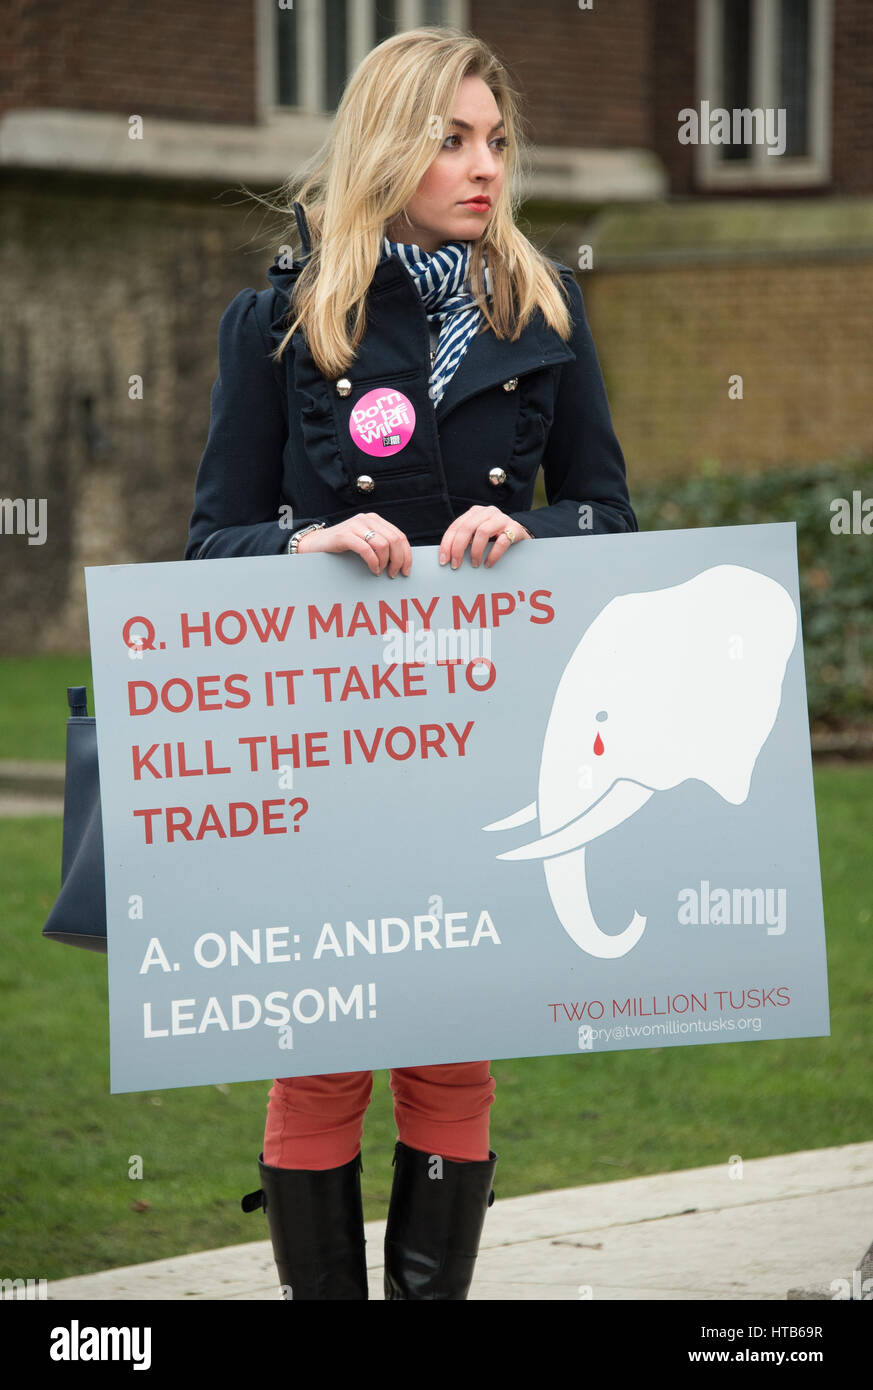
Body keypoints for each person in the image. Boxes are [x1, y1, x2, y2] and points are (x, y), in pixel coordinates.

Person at [185, 25, 637, 1301]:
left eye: (496, 140)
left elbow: (611, 515)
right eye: (451, 140)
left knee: (451, 1049)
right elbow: (209, 539)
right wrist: (307, 537)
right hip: (330, 754)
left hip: (487, 746)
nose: (484, 166)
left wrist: (531, 528)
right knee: (323, 1049)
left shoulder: (544, 310)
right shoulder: (279, 321)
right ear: (387, 144)